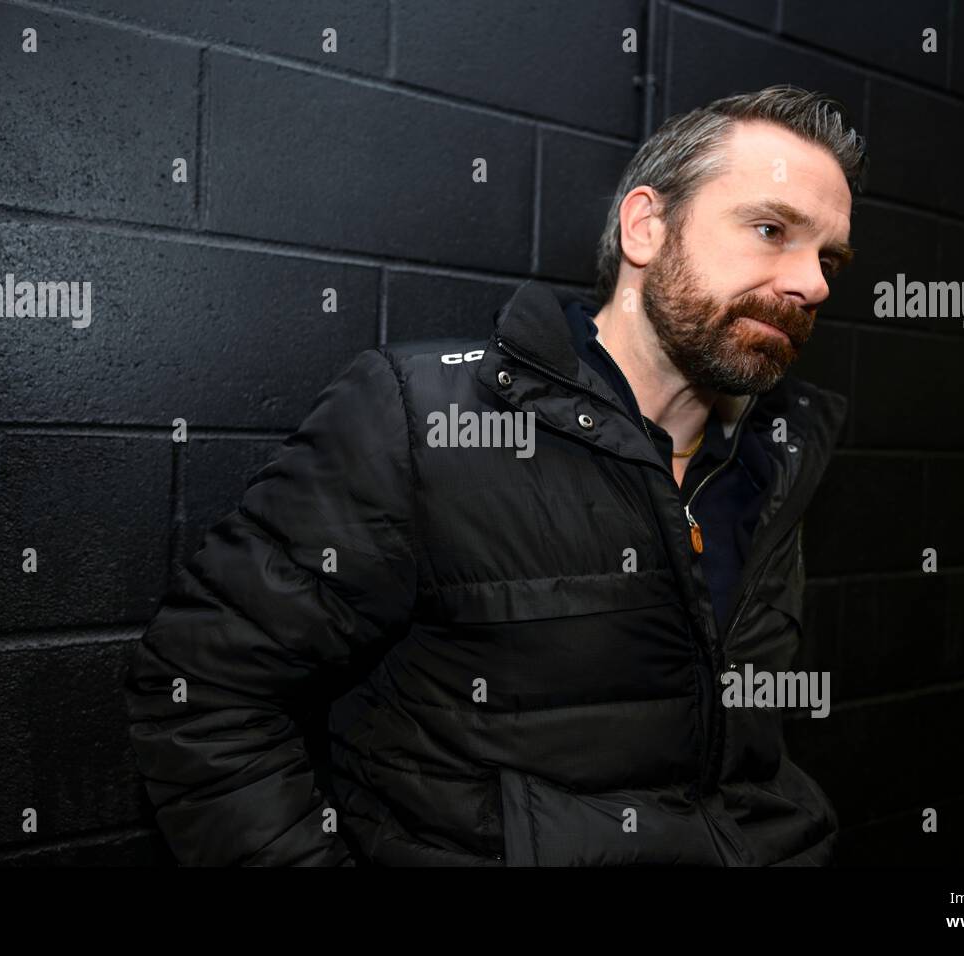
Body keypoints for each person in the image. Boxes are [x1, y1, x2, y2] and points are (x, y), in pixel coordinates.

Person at [124, 84, 866, 866]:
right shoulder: (423, 417)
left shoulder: (779, 455)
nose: (813, 283)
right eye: (770, 229)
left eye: (830, 258)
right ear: (647, 227)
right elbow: (201, 692)